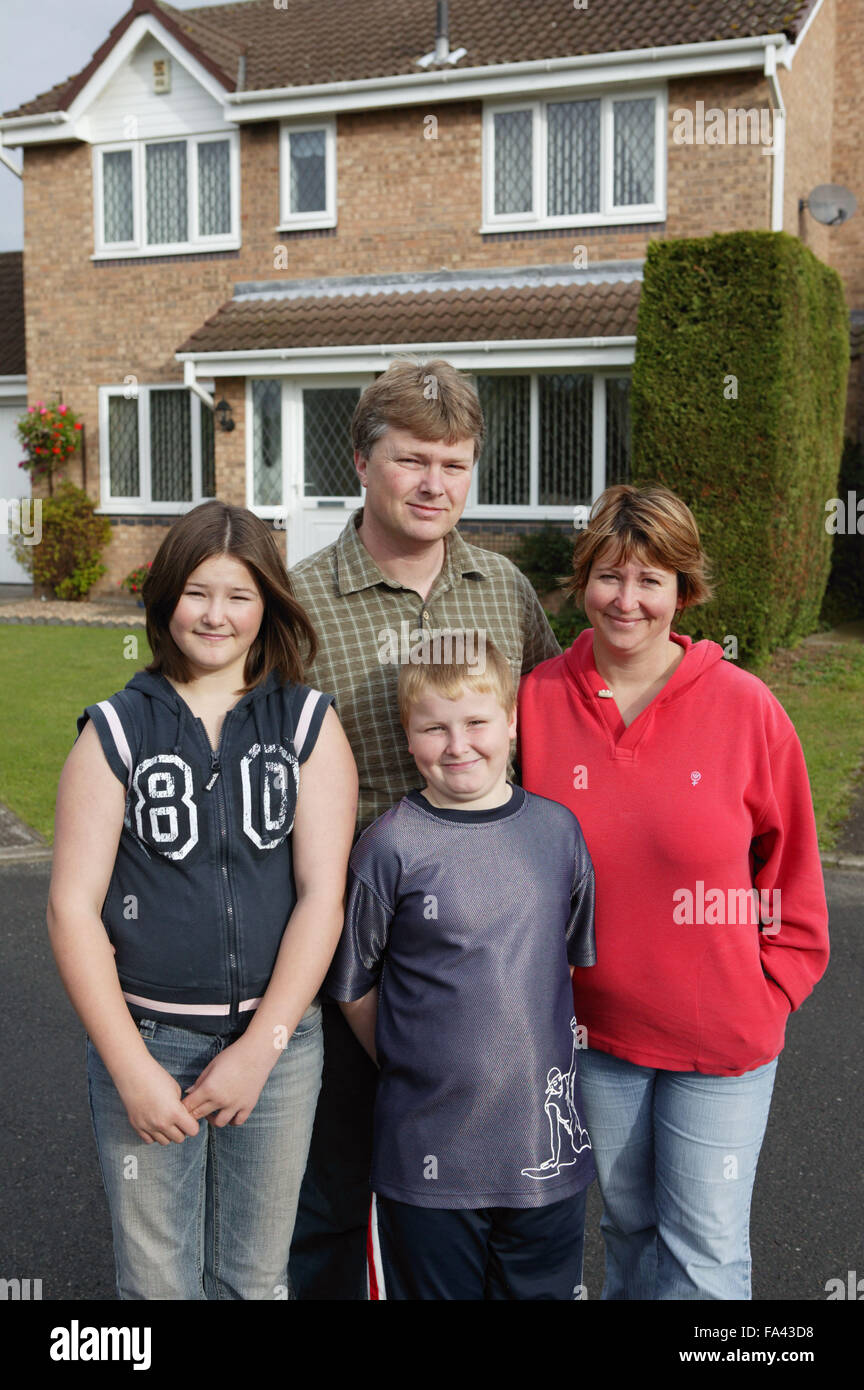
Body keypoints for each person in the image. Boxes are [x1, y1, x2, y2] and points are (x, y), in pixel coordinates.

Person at [288, 357, 561, 1299]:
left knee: (491, 1199)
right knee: (328, 1199)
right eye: (413, 460)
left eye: (455, 463)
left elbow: (561, 734)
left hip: (491, 959)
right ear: (363, 462)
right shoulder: (302, 603)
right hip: (355, 949)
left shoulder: (506, 590)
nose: (435, 483)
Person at [517, 483, 830, 1301]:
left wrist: (771, 991)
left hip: (719, 1042)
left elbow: (791, 874)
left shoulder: (746, 709)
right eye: (609, 577)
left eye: (651, 580)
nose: (627, 600)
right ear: (582, 581)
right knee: (627, 1234)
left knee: (704, 1254)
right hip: (595, 1038)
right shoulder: (538, 701)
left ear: (683, 592)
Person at [46, 500, 357, 1300]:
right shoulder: (114, 732)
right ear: (165, 598)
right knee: (156, 1282)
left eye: (240, 595)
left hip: (277, 1049)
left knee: (254, 1278)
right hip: (148, 1043)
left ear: (269, 607)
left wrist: (263, 1047)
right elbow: (71, 910)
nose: (215, 614)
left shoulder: (308, 723)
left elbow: (324, 896)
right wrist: (130, 1067)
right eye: (196, 591)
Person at [325, 640, 596, 1299]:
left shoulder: (558, 832)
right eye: (434, 728)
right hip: (429, 1160)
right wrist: (414, 1060)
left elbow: (564, 964)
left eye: (475, 722)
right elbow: (354, 985)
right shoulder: (390, 846)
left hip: (543, 1157)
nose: (457, 745)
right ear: (408, 735)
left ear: (510, 721)